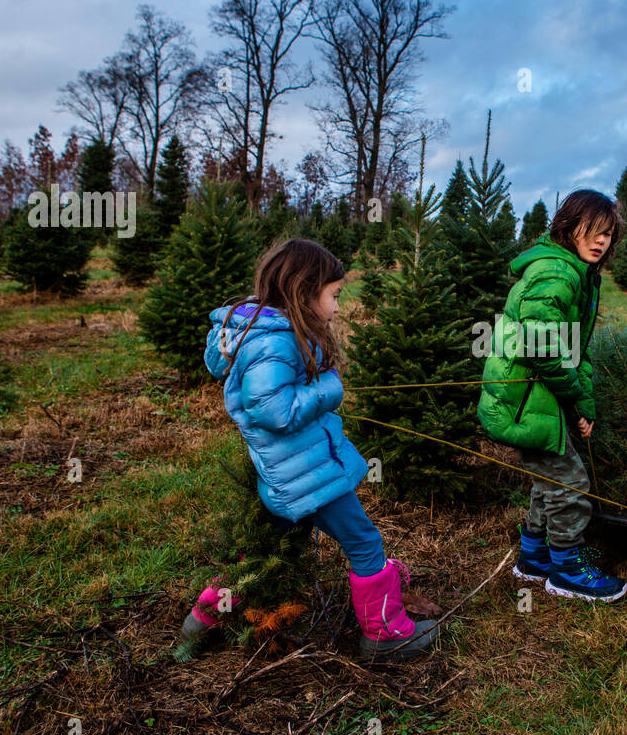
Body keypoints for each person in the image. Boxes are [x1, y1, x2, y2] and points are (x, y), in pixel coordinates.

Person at [179, 238, 438, 661]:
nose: (337, 307)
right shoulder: (277, 341)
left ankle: (203, 620)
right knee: (365, 544)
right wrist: (329, 387)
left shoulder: (258, 332)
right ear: (304, 290)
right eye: (334, 295)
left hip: (286, 474)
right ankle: (385, 637)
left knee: (263, 552)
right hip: (309, 476)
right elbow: (273, 410)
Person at [477, 189, 627, 602]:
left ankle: (534, 559)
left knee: (550, 479)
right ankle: (566, 571)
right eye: (593, 230)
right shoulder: (556, 273)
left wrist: (584, 403)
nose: (602, 241)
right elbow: (542, 347)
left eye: (609, 234)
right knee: (570, 484)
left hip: (536, 399)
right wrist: (577, 398)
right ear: (568, 226)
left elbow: (573, 348)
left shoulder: (574, 272)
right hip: (524, 402)